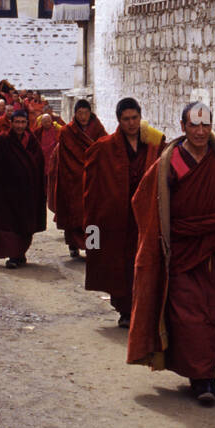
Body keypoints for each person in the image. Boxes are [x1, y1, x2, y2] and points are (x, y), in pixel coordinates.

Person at [127, 102, 215, 405]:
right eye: (194, 126)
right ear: (183, 126)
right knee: (189, 316)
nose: (201, 132)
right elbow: (142, 200)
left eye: (206, 125)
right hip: (182, 252)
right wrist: (159, 239)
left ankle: (205, 371)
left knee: (213, 316)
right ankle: (202, 378)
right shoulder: (170, 162)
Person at [84, 98, 166, 328]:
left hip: (145, 217)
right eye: (126, 119)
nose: (131, 123)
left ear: (140, 118)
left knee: (146, 263)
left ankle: (145, 309)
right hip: (117, 218)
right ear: (119, 120)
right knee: (119, 265)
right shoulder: (104, 147)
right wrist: (92, 224)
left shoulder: (154, 146)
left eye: (134, 118)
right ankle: (125, 311)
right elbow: (92, 187)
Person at [0, 108, 46, 269]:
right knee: (8, 227)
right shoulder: (3, 140)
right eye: (17, 122)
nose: (20, 126)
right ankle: (13, 255)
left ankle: (20, 254)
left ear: (27, 123)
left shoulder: (32, 141)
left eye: (23, 122)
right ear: (11, 123)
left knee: (25, 226)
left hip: (27, 192)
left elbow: (38, 162)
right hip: (7, 192)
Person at [52, 99, 106, 259]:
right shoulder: (67, 132)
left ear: (90, 113)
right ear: (75, 114)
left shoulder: (98, 128)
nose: (83, 117)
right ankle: (73, 246)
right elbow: (64, 158)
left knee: (94, 215)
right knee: (74, 215)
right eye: (80, 113)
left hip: (93, 177)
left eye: (86, 113)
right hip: (72, 180)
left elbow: (105, 146)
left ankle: (94, 247)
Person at [37, 108, 65, 212]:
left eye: (48, 121)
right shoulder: (38, 132)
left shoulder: (57, 129)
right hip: (43, 159)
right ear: (41, 123)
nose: (47, 123)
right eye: (44, 122)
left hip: (55, 159)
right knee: (44, 179)